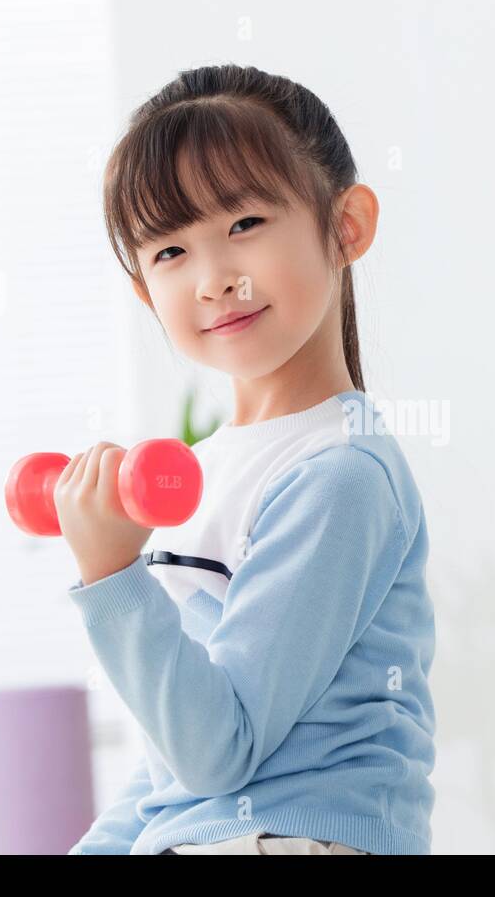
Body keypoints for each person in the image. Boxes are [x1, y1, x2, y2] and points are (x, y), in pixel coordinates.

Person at [58, 64, 436, 855]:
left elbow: (216, 749)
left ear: (347, 226)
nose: (213, 280)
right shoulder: (210, 472)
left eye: (244, 224)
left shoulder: (339, 477)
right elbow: (175, 762)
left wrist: (112, 579)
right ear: (143, 291)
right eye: (168, 251)